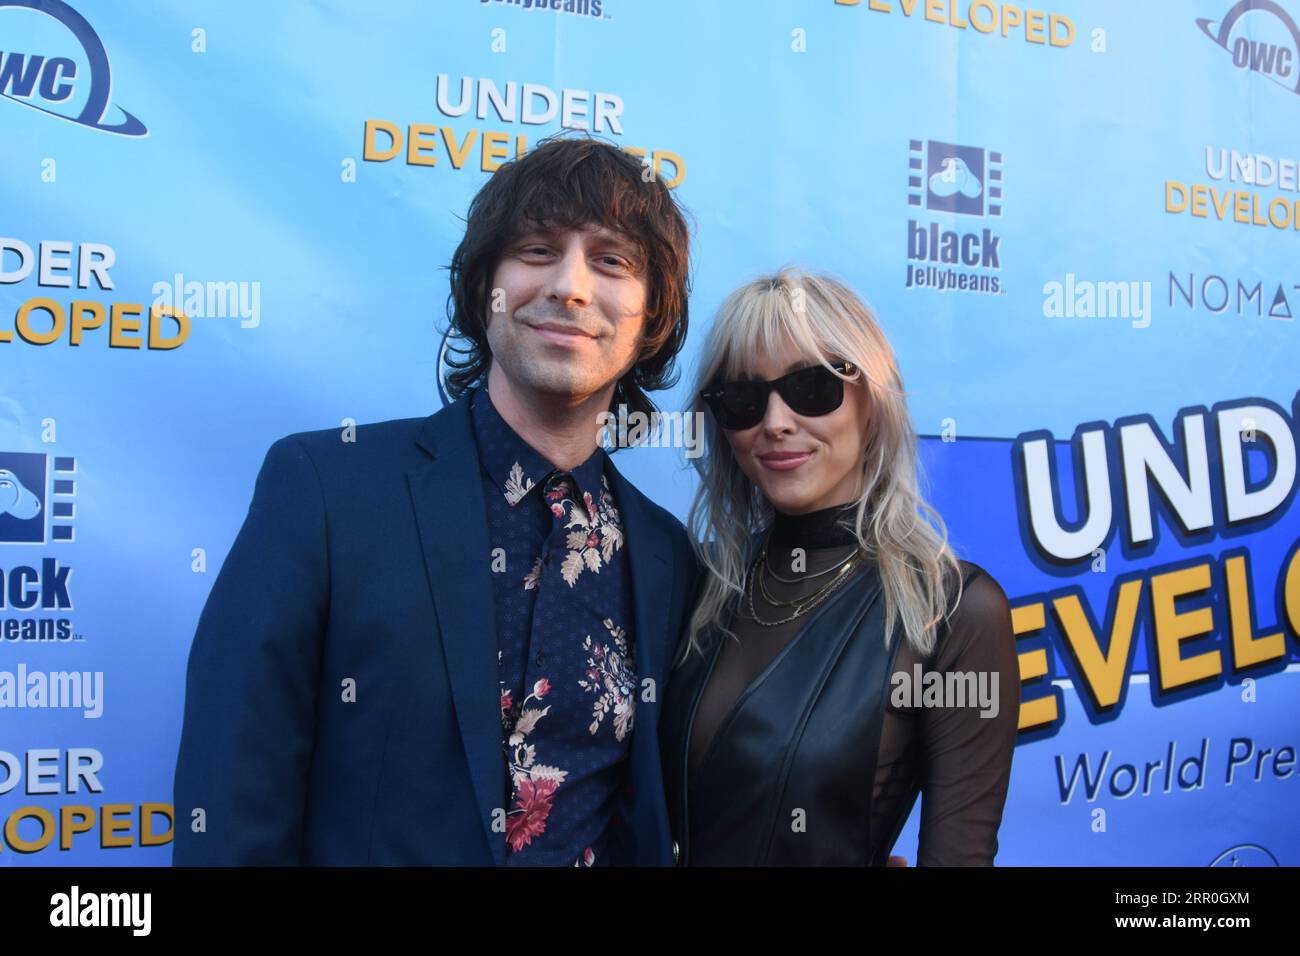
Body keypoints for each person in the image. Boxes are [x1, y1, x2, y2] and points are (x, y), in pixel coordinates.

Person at [172, 135, 698, 866]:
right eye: (538, 251)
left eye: (611, 261)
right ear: (483, 290)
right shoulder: (327, 489)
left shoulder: (666, 555)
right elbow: (230, 803)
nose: (571, 286)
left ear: (654, 319)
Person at [660, 268, 1020, 866]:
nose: (774, 422)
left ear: (872, 400)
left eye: (812, 388)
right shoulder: (699, 583)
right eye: (742, 400)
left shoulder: (955, 611)